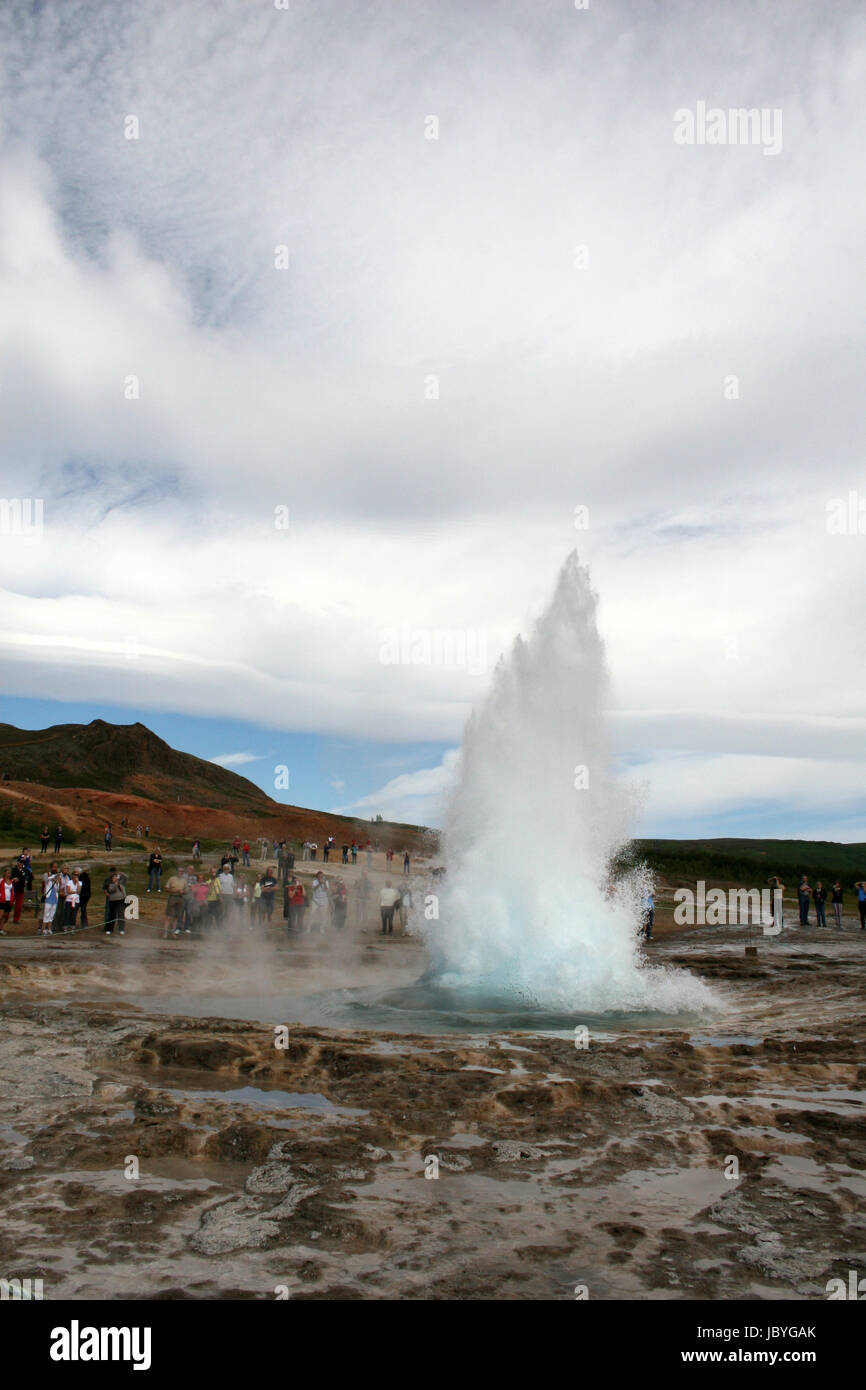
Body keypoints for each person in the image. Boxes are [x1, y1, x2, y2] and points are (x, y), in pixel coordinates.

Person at [163, 870, 187, 938]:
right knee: (168, 916)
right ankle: (165, 933)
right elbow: (166, 888)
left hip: (180, 898)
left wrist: (183, 891)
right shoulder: (172, 879)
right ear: (177, 872)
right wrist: (174, 890)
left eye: (182, 871)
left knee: (176, 916)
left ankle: (172, 933)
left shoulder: (184, 880)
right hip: (172, 897)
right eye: (179, 871)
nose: (180, 872)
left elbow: (187, 890)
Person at [39, 863, 61, 936]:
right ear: (51, 867)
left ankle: (49, 929)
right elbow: (46, 880)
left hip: (55, 898)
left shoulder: (57, 878)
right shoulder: (47, 875)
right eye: (54, 867)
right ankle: (43, 929)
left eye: (56, 867)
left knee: (51, 915)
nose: (55, 868)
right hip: (48, 898)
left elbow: (58, 889)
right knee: (46, 914)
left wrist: (57, 881)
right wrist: (54, 877)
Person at [103, 871, 127, 936]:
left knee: (121, 915)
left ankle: (121, 929)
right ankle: (109, 929)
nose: (114, 878)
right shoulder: (110, 884)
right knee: (112, 915)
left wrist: (123, 874)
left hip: (121, 900)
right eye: (113, 877)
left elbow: (126, 878)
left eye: (115, 877)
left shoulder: (121, 882)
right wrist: (115, 885)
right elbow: (111, 890)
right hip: (113, 901)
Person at [0, 867, 16, 933]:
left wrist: (13, 899)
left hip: (9, 901)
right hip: (2, 900)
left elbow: (12, 891)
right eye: (7, 873)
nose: (8, 874)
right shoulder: (1, 880)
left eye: (9, 873)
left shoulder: (11, 881)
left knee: (6, 916)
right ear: (4, 873)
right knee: (1, 915)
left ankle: (1, 929)